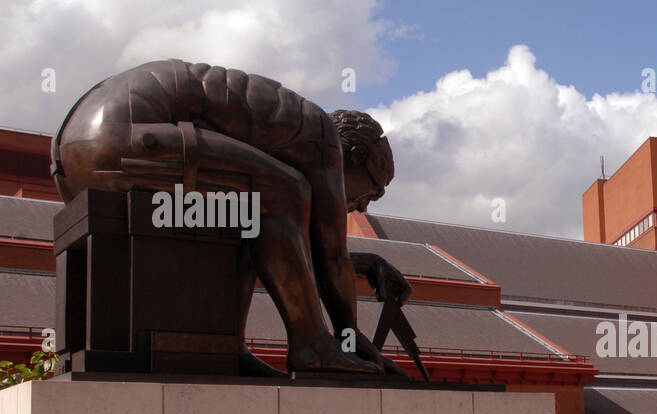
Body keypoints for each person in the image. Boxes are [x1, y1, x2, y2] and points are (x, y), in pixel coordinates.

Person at [51, 59, 402, 376]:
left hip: (76, 157)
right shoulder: (324, 139)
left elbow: (290, 246)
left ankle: (228, 347)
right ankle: (313, 346)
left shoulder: (291, 132)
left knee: (252, 214)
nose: (363, 206)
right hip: (120, 136)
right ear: (353, 154)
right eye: (372, 191)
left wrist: (365, 263)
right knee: (283, 192)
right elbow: (330, 254)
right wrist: (348, 338)